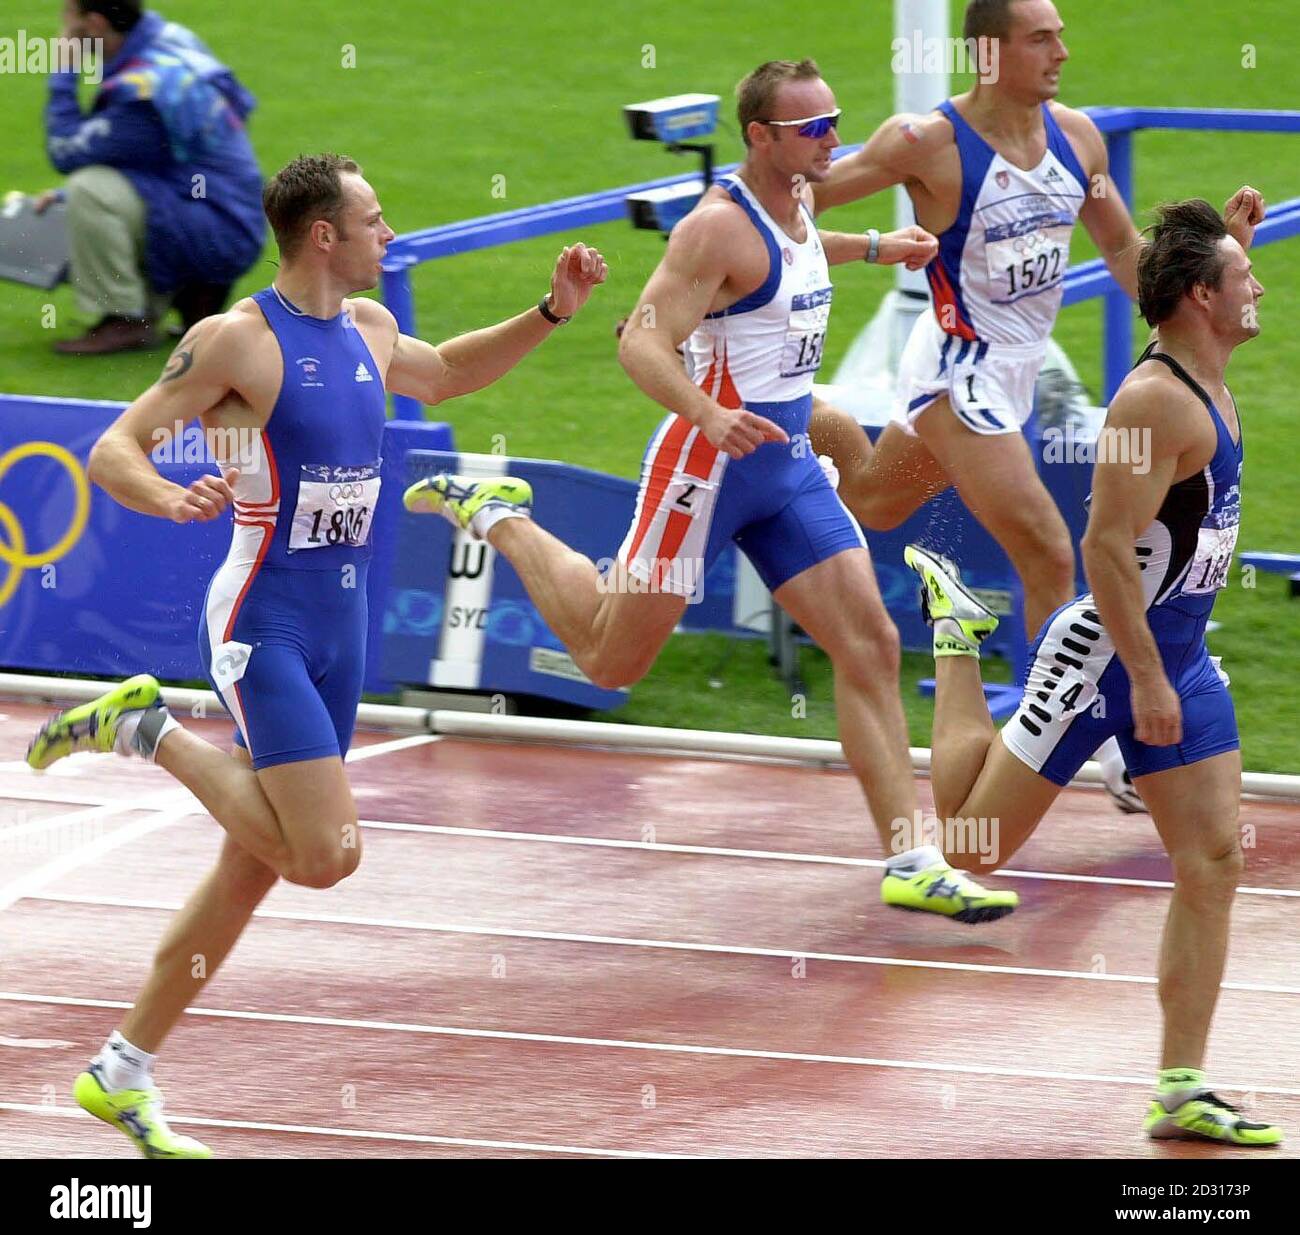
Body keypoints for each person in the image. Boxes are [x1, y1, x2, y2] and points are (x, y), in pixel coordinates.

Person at [25, 152, 607, 1157]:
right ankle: (145, 725)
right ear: (325, 237)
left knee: (251, 871)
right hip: (264, 620)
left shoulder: (372, 332)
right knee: (324, 857)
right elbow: (119, 448)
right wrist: (171, 496)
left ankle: (122, 1071)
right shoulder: (236, 343)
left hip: (344, 625)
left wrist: (549, 312)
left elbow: (454, 370)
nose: (389, 233)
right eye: (374, 220)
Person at [405, 59, 1021, 926]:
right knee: (610, 660)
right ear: (761, 138)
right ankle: (500, 518)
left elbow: (795, 260)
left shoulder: (796, 200)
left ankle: (911, 858)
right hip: (703, 466)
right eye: (813, 129)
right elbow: (642, 345)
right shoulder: (711, 230)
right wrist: (706, 410)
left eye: (835, 121)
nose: (833, 141)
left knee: (871, 644)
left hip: (785, 464)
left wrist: (879, 247)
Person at [806, 0, 1264, 810]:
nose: (1062, 49)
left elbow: (1126, 253)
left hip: (1015, 373)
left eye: (1059, 34)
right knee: (1052, 553)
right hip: (957, 372)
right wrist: (792, 250)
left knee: (875, 502)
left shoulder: (1076, 139)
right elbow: (801, 203)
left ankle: (799, 409)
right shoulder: (928, 145)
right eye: (1041, 37)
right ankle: (1085, 738)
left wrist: (1215, 271)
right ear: (989, 52)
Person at [902, 198, 1281, 1145]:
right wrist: (1145, 681)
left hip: (1179, 654)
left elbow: (1202, 280)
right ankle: (955, 636)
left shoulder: (1205, 366)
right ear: (1201, 298)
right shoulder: (1150, 403)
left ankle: (1182, 1084)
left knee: (1215, 863)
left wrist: (1226, 234)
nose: (1261, 286)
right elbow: (1104, 547)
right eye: (1244, 276)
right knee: (974, 847)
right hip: (1109, 656)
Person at [38, 0, 266, 354]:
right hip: (231, 217)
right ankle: (194, 294)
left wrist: (64, 71)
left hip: (216, 231)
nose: (63, 28)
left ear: (95, 23)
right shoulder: (171, 40)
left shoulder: (142, 91)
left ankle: (128, 319)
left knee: (86, 191)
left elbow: (64, 149)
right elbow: (145, 152)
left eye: (69, 18)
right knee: (76, 196)